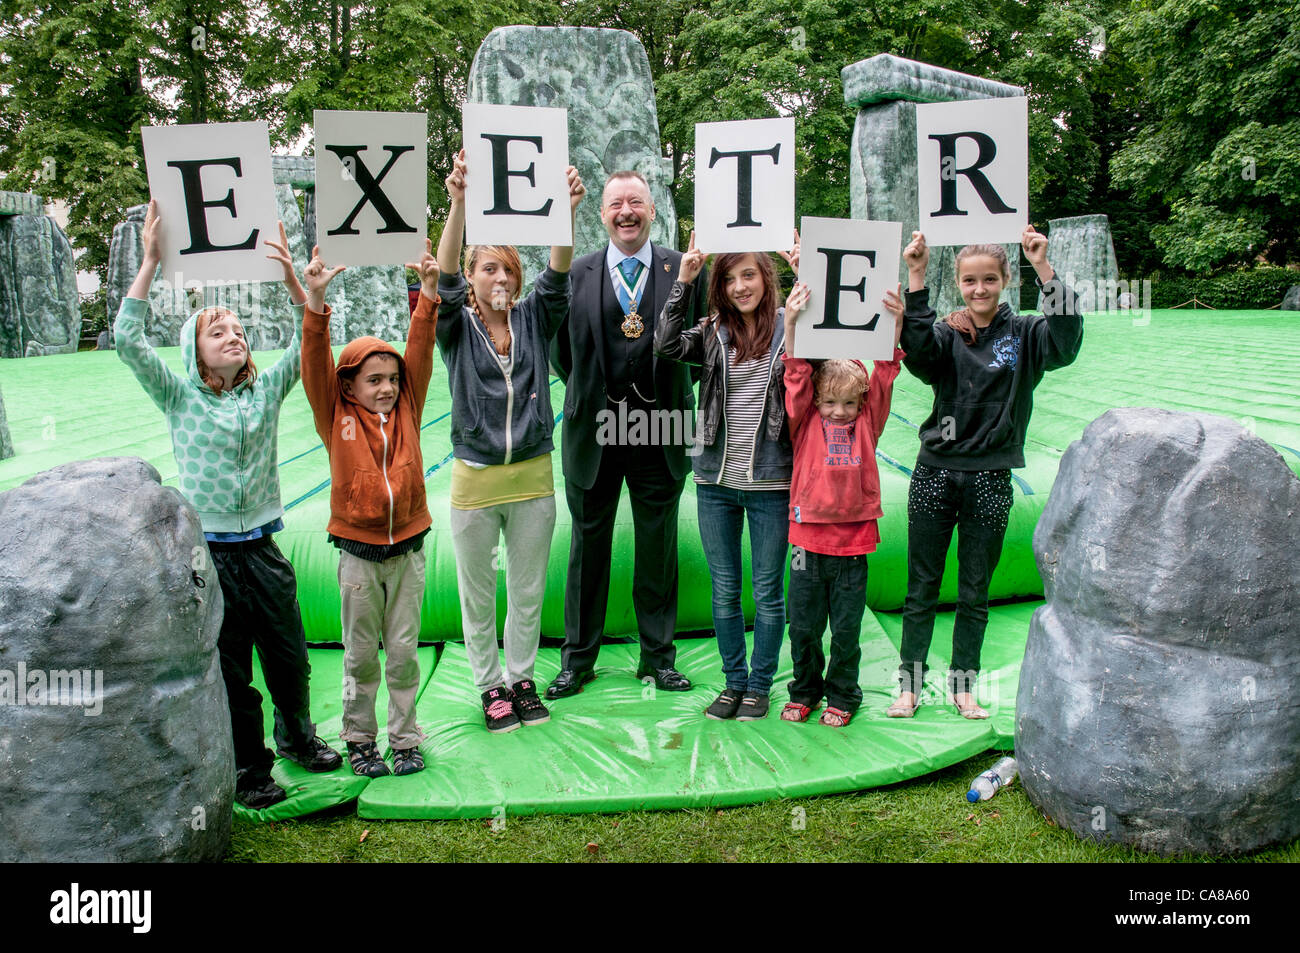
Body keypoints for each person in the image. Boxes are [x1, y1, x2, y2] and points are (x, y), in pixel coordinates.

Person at [115, 201, 341, 810]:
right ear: (194, 353)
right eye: (218, 331)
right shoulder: (178, 397)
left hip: (263, 549)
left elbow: (309, 341)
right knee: (233, 672)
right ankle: (248, 769)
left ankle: (297, 737)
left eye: (238, 329)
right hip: (211, 557)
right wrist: (149, 263)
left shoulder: (265, 390)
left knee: (290, 656)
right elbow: (126, 340)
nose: (234, 335)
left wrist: (299, 282)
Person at [890, 226, 1083, 719]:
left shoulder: (1026, 335)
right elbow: (919, 351)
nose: (980, 290)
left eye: (990, 280)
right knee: (922, 587)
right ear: (958, 283)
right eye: (971, 281)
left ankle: (963, 686)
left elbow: (1066, 340)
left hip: (991, 478)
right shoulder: (947, 334)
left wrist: (1043, 266)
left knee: (975, 590)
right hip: (935, 474)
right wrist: (915, 275)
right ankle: (909, 686)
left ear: (1004, 281)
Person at [436, 149, 585, 730]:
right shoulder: (454, 326)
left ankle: (521, 679)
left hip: (532, 475)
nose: (500, 278)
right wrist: (458, 203)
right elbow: (442, 278)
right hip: (474, 477)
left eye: (509, 270)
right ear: (474, 277)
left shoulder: (533, 318)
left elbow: (560, 272)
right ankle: (489, 687)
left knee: (527, 589)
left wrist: (566, 212)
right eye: (488, 269)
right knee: (477, 594)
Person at [546, 170, 709, 700]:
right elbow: (560, 352)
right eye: (616, 203)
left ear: (653, 210)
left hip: (662, 429)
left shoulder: (683, 269)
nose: (626, 212)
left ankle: (658, 658)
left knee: (658, 547)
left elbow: (702, 343)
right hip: (594, 430)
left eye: (635, 202)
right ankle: (578, 659)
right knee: (586, 547)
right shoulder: (577, 272)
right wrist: (592, 391)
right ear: (602, 214)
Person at [291, 237, 439, 777]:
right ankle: (359, 737)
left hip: (409, 554)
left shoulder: (409, 408)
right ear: (349, 384)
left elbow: (420, 346)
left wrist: (427, 292)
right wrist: (315, 303)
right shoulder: (335, 414)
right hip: (358, 556)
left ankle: (404, 736)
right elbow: (314, 362)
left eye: (392, 379)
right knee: (359, 656)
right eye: (373, 380)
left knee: (402, 653)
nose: (386, 388)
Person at [653, 233, 798, 721]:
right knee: (724, 588)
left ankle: (760, 685)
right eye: (730, 278)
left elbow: (825, 347)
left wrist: (810, 273)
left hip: (771, 482)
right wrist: (684, 279)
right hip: (716, 480)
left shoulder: (788, 327)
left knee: (768, 591)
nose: (740, 286)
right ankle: (734, 682)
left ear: (766, 278)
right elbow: (666, 343)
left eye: (749, 275)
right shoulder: (714, 329)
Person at [779, 282, 905, 728]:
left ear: (862, 401)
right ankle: (805, 690)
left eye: (848, 403)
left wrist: (892, 323)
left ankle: (844, 694)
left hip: (852, 543)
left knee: (847, 631)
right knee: (803, 627)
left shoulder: (869, 421)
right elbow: (795, 371)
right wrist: (791, 324)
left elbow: (887, 370)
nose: (838, 412)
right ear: (816, 401)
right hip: (806, 540)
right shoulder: (804, 419)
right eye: (830, 403)